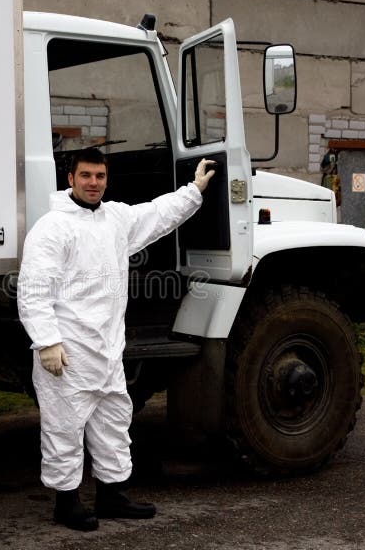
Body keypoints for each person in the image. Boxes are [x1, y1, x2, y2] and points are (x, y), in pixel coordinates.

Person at [17, 148, 216, 531]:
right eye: (86, 175)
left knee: (113, 422)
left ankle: (112, 496)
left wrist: (193, 190)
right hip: (69, 352)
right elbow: (34, 288)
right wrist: (46, 341)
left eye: (100, 176)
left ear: (107, 180)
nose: (93, 183)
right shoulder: (53, 227)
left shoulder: (115, 219)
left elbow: (156, 214)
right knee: (64, 428)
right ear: (71, 179)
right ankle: (66, 504)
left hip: (107, 350)